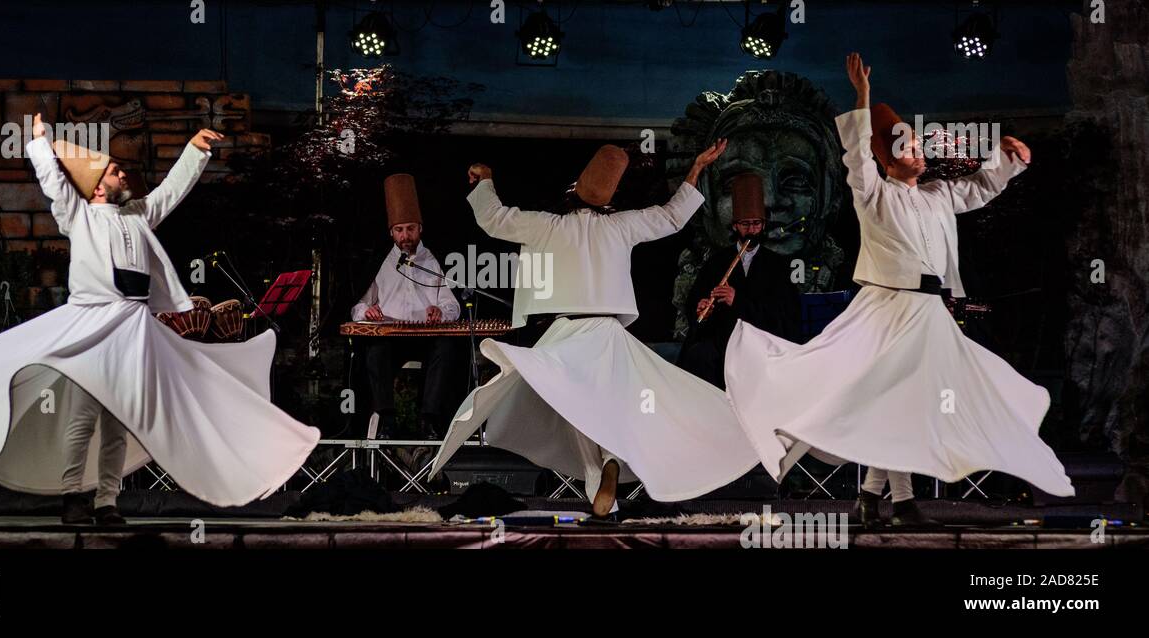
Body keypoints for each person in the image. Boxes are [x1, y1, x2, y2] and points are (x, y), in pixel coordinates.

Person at [0, 114, 320, 524]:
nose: (122, 175)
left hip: (133, 330)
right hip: (92, 329)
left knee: (118, 425)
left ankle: (107, 500)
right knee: (81, 418)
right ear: (96, 187)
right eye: (114, 172)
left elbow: (171, 191)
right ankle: (73, 495)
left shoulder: (137, 215)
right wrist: (39, 143)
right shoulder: (79, 216)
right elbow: (54, 183)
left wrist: (194, 150)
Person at [724, 53, 1073, 527]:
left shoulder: (936, 195)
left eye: (917, 144)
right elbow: (856, 157)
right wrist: (862, 97)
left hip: (928, 312)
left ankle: (874, 498)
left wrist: (1009, 159)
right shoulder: (875, 194)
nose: (918, 152)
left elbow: (978, 188)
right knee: (897, 399)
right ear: (888, 159)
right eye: (907, 148)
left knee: (908, 401)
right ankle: (898, 502)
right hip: (888, 308)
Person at [429, 142, 760, 518]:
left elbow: (495, 218)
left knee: (581, 413)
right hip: (609, 335)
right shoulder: (620, 226)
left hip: (568, 335)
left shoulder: (549, 226)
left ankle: (601, 479)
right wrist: (696, 168)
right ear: (608, 201)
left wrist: (485, 181)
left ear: (573, 194)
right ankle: (610, 464)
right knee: (606, 410)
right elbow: (671, 216)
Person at [352, 174, 463, 439]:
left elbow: (452, 305)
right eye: (400, 230)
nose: (405, 236)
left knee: (447, 348)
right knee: (375, 350)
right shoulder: (381, 262)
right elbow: (359, 306)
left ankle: (429, 421)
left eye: (410, 229)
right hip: (392, 339)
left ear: (420, 228)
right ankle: (387, 421)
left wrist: (441, 312)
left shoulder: (434, 260)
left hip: (427, 336)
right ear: (391, 232)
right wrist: (367, 311)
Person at [679, 172, 801, 389]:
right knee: (698, 355)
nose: (751, 230)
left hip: (762, 341)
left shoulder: (777, 265)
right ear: (735, 225)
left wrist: (738, 301)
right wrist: (702, 309)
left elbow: (784, 315)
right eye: (745, 224)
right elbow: (694, 301)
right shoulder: (717, 262)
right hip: (723, 340)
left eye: (756, 224)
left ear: (764, 224)